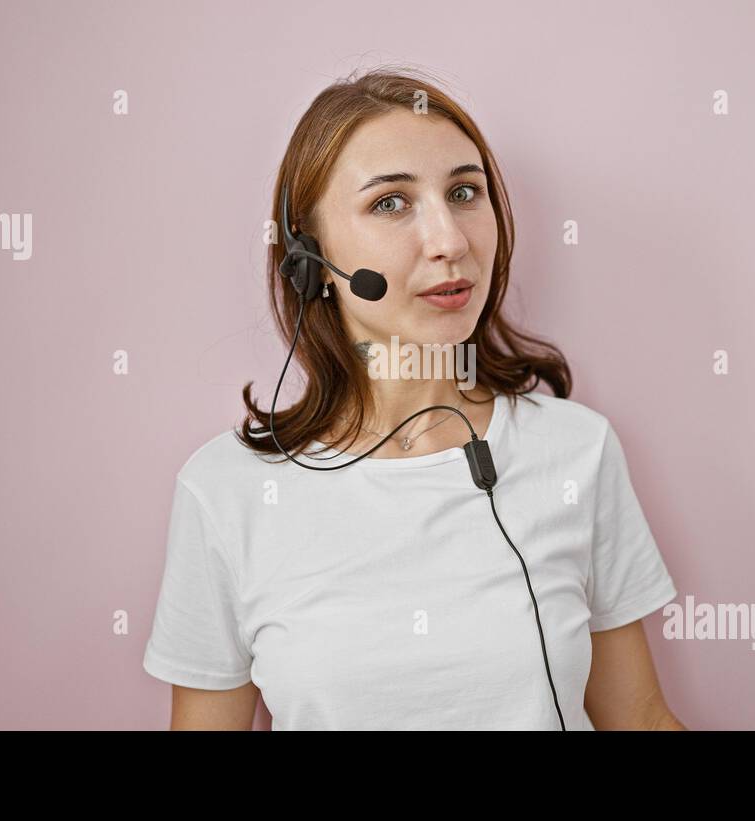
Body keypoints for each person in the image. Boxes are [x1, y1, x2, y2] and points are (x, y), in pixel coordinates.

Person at [143, 65, 685, 730]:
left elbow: (641, 720)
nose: (451, 241)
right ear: (310, 259)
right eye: (391, 203)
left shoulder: (577, 450)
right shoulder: (225, 491)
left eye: (464, 191)